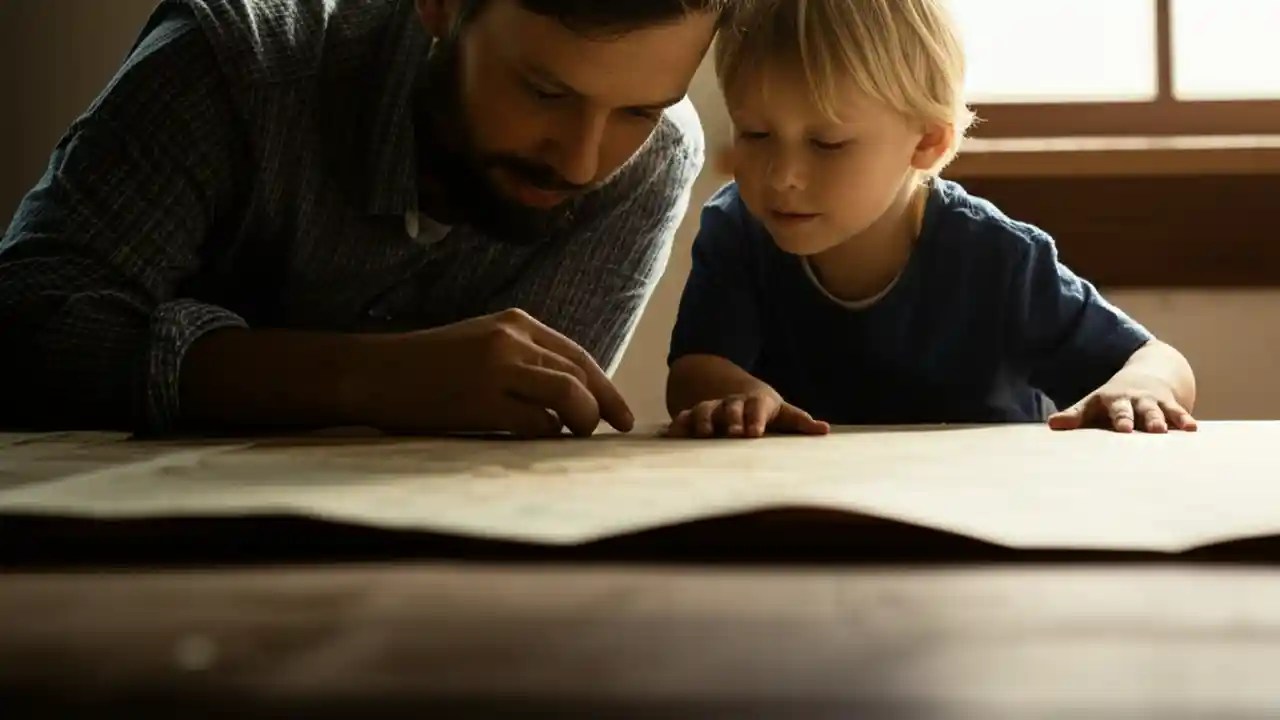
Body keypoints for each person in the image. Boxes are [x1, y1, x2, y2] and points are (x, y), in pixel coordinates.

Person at [0, 0, 729, 437]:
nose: (580, 162)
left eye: (639, 111)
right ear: (439, 5)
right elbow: (26, 327)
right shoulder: (235, 63)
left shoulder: (653, 162)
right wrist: (367, 378)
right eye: (544, 93)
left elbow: (522, 436)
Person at [666, 0, 1198, 438]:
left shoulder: (997, 257)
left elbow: (1156, 359)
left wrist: (1145, 387)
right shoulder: (738, 232)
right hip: (804, 519)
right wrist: (734, 394)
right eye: (755, 134)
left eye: (826, 143)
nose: (782, 175)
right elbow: (695, 369)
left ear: (927, 141)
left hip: (979, 514)